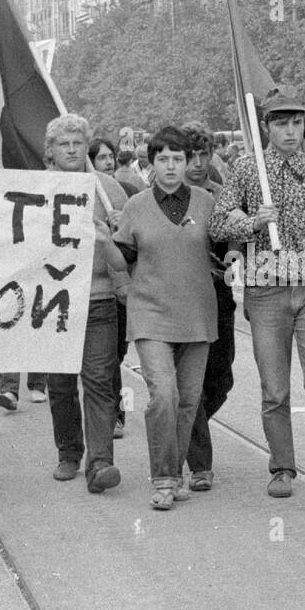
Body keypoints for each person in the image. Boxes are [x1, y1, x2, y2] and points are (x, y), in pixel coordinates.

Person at [209, 88, 305, 509]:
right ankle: (282, 466)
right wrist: (255, 222)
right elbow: (218, 225)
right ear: (266, 127)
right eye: (280, 123)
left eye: (295, 123)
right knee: (275, 389)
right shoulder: (247, 171)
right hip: (265, 289)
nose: (289, 131)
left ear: (303, 126)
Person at [115, 126, 217, 510]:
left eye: (178, 158)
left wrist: (241, 246)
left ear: (188, 161)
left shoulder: (207, 201)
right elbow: (121, 256)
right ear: (151, 163)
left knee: (189, 401)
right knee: (164, 395)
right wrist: (100, 243)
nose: (171, 166)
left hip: (197, 314)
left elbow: (230, 235)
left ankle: (174, 475)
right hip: (150, 313)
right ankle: (162, 478)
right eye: (163, 159)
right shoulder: (136, 206)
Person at [43, 114, 128, 491]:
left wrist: (117, 226)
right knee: (61, 383)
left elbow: (130, 243)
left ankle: (101, 462)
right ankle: (68, 452)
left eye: (78, 142)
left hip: (99, 298)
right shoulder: (39, 188)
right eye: (64, 144)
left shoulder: (108, 188)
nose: (73, 149)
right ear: (51, 151)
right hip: (54, 302)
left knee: (97, 381)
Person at [182, 126, 238, 491]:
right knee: (189, 384)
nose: (199, 164)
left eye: (205, 155)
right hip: (180, 298)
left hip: (218, 295)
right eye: (190, 157)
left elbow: (237, 240)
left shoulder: (223, 197)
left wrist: (235, 251)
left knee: (221, 378)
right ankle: (200, 461)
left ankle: (185, 423)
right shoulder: (160, 198)